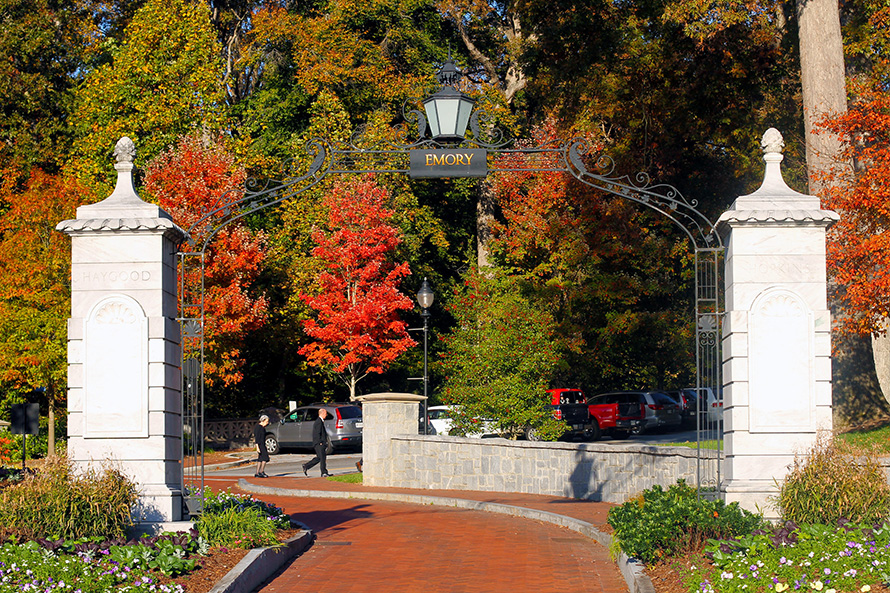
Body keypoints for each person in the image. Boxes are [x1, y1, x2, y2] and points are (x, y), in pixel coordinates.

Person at [302, 408, 331, 477]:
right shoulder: (318, 422)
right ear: (322, 413)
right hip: (319, 443)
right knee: (322, 458)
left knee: (320, 457)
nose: (326, 415)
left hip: (320, 443)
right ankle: (323, 472)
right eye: (326, 413)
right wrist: (320, 442)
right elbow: (317, 433)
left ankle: (306, 466)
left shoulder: (320, 421)